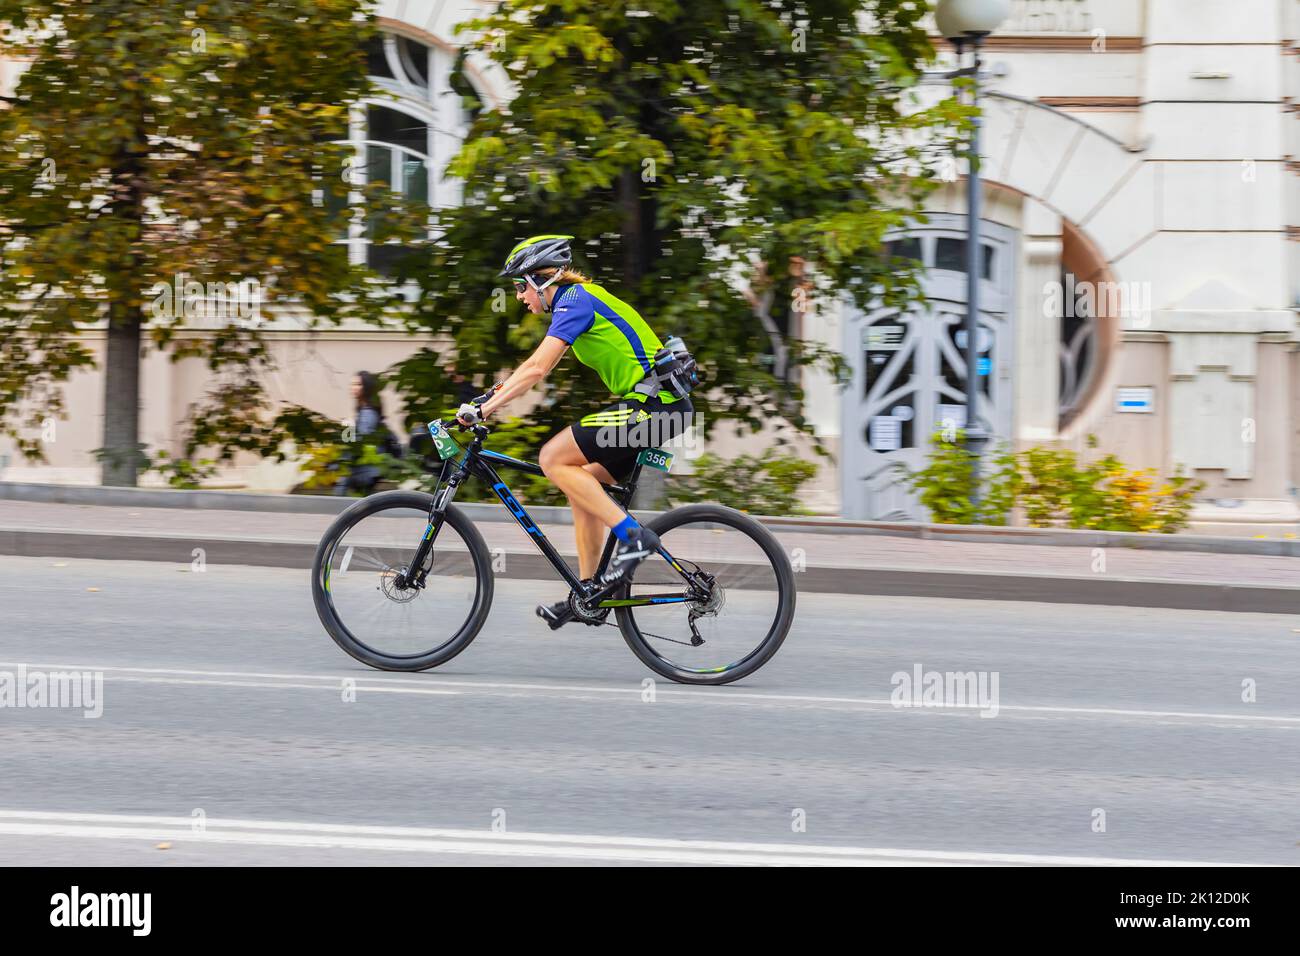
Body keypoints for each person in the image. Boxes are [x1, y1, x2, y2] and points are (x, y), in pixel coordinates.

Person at [456, 235, 694, 630]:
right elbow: (530, 366)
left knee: (552, 458)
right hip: (658, 409)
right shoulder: (576, 302)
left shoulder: (574, 300)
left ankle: (633, 538)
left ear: (539, 280)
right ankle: (590, 593)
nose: (518, 296)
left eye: (520, 286)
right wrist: (487, 399)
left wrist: (485, 409)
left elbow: (536, 369)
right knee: (580, 483)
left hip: (656, 408)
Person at [335, 371, 400, 497]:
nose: (353, 387)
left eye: (358, 384)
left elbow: (363, 440)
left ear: (367, 387)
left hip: (367, 470)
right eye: (352, 384)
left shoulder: (368, 413)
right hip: (369, 469)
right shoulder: (365, 410)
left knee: (343, 490)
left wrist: (347, 429)